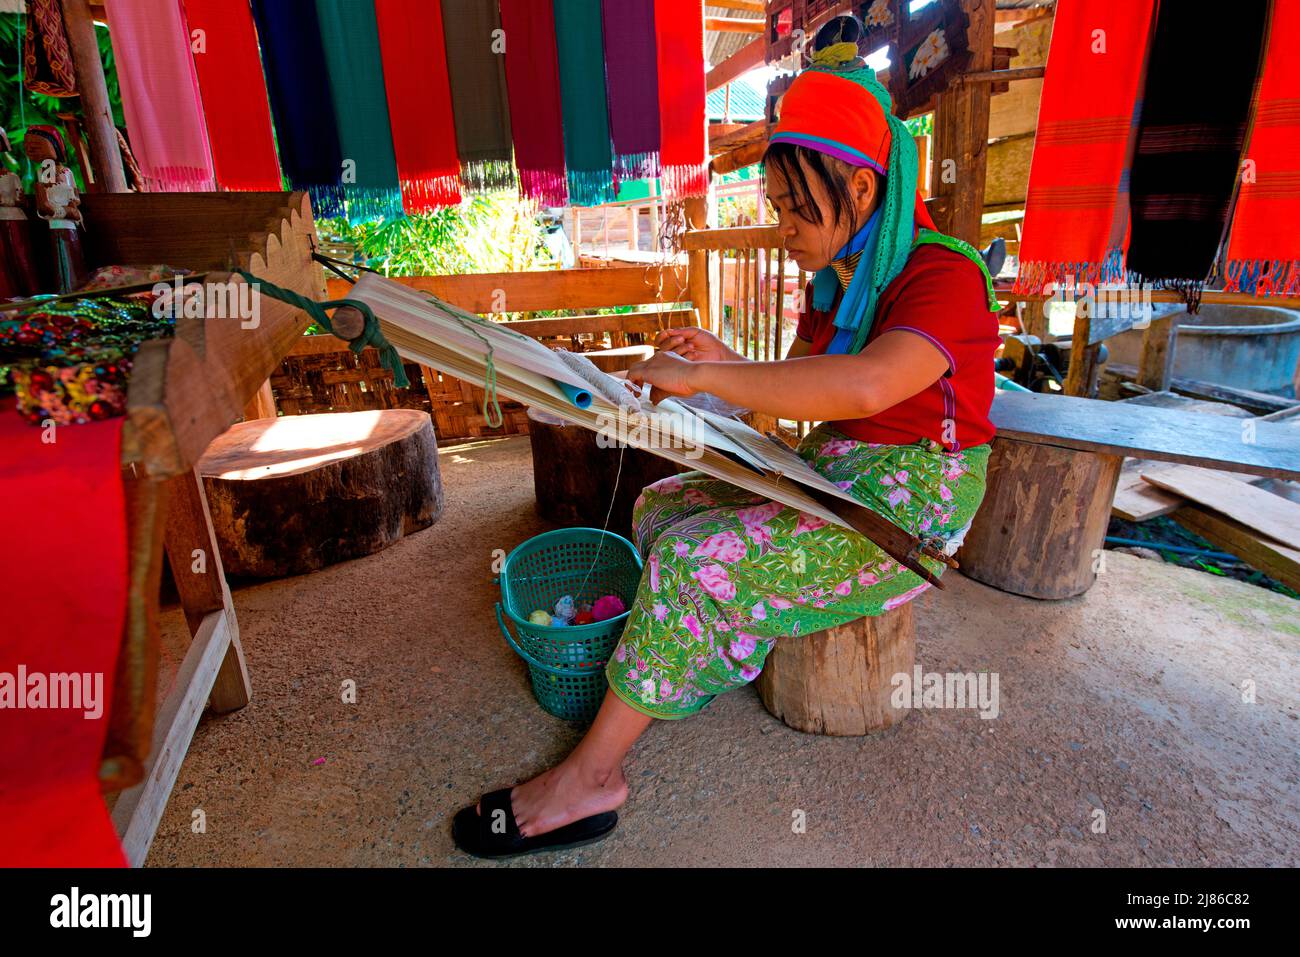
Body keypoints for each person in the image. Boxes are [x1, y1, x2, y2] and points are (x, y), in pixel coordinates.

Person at [452, 28, 1002, 859]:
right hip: (841, 471)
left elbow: (863, 388)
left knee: (692, 563)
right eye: (777, 207)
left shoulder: (944, 274)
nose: (782, 226)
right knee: (661, 505)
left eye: (793, 206)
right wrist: (726, 360)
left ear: (859, 186)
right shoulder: (839, 282)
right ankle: (677, 661)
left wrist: (711, 383)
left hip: (912, 508)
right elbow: (799, 396)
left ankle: (592, 776)